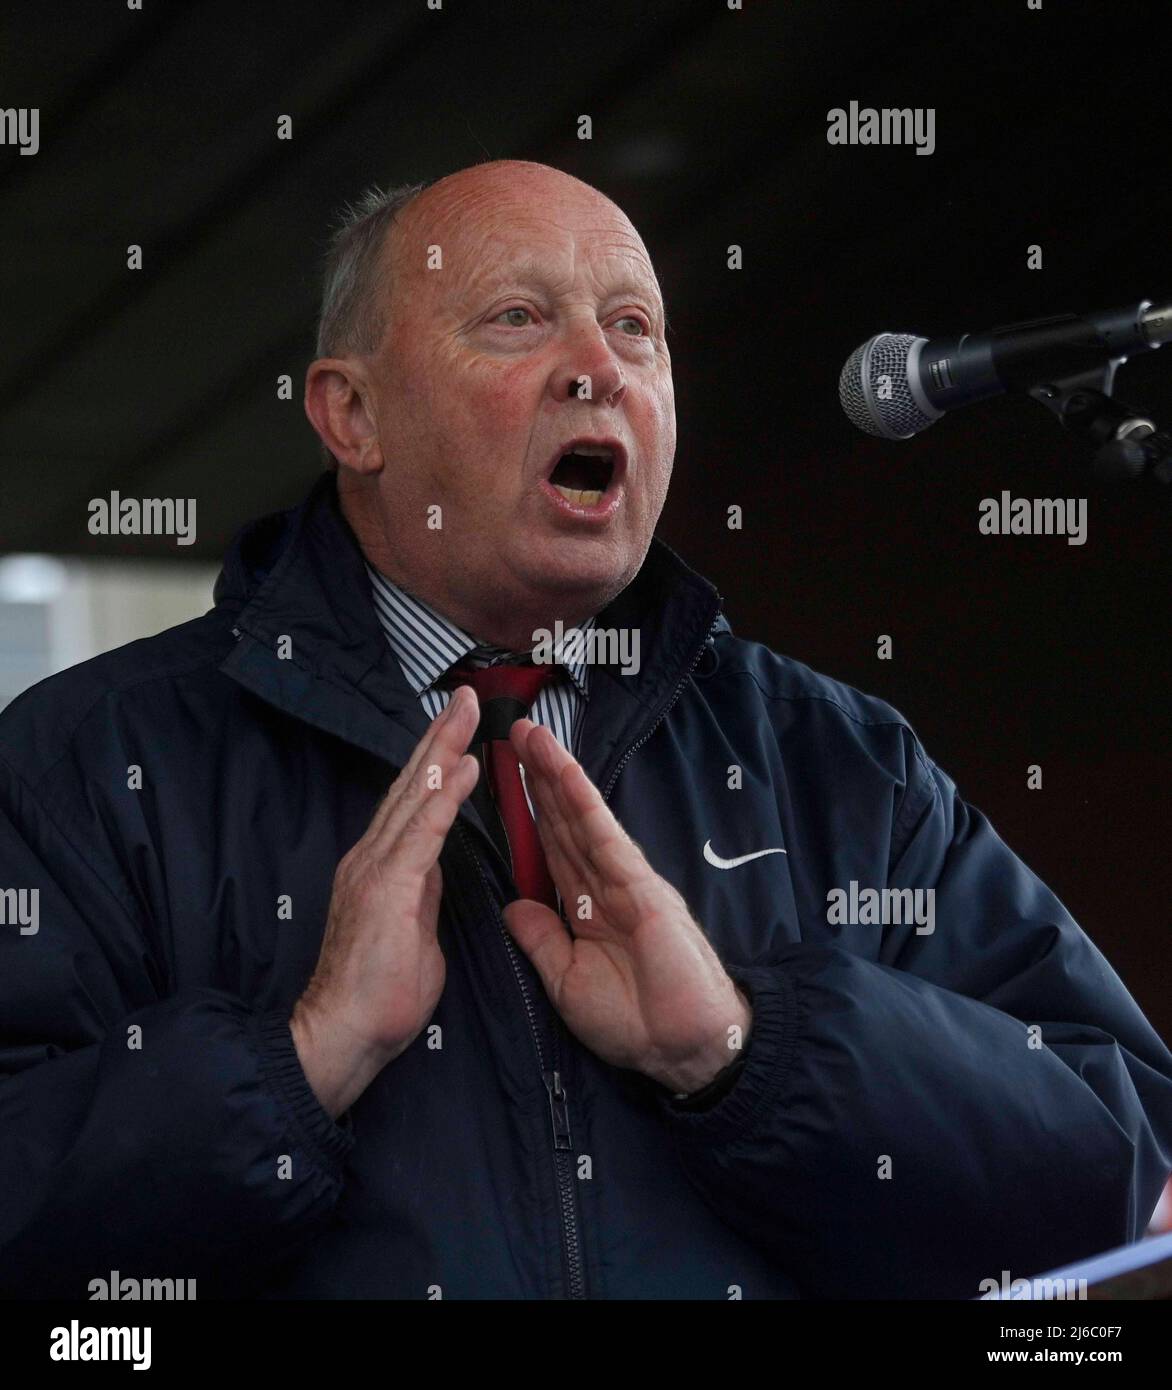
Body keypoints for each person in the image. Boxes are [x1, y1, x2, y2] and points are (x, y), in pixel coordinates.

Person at [1, 160, 1169, 1301]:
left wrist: (743, 1052)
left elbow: (1122, 1179)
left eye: (634, 328)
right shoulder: (90, 764)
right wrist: (301, 1060)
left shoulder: (838, 760)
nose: (597, 370)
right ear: (351, 415)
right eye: (516, 318)